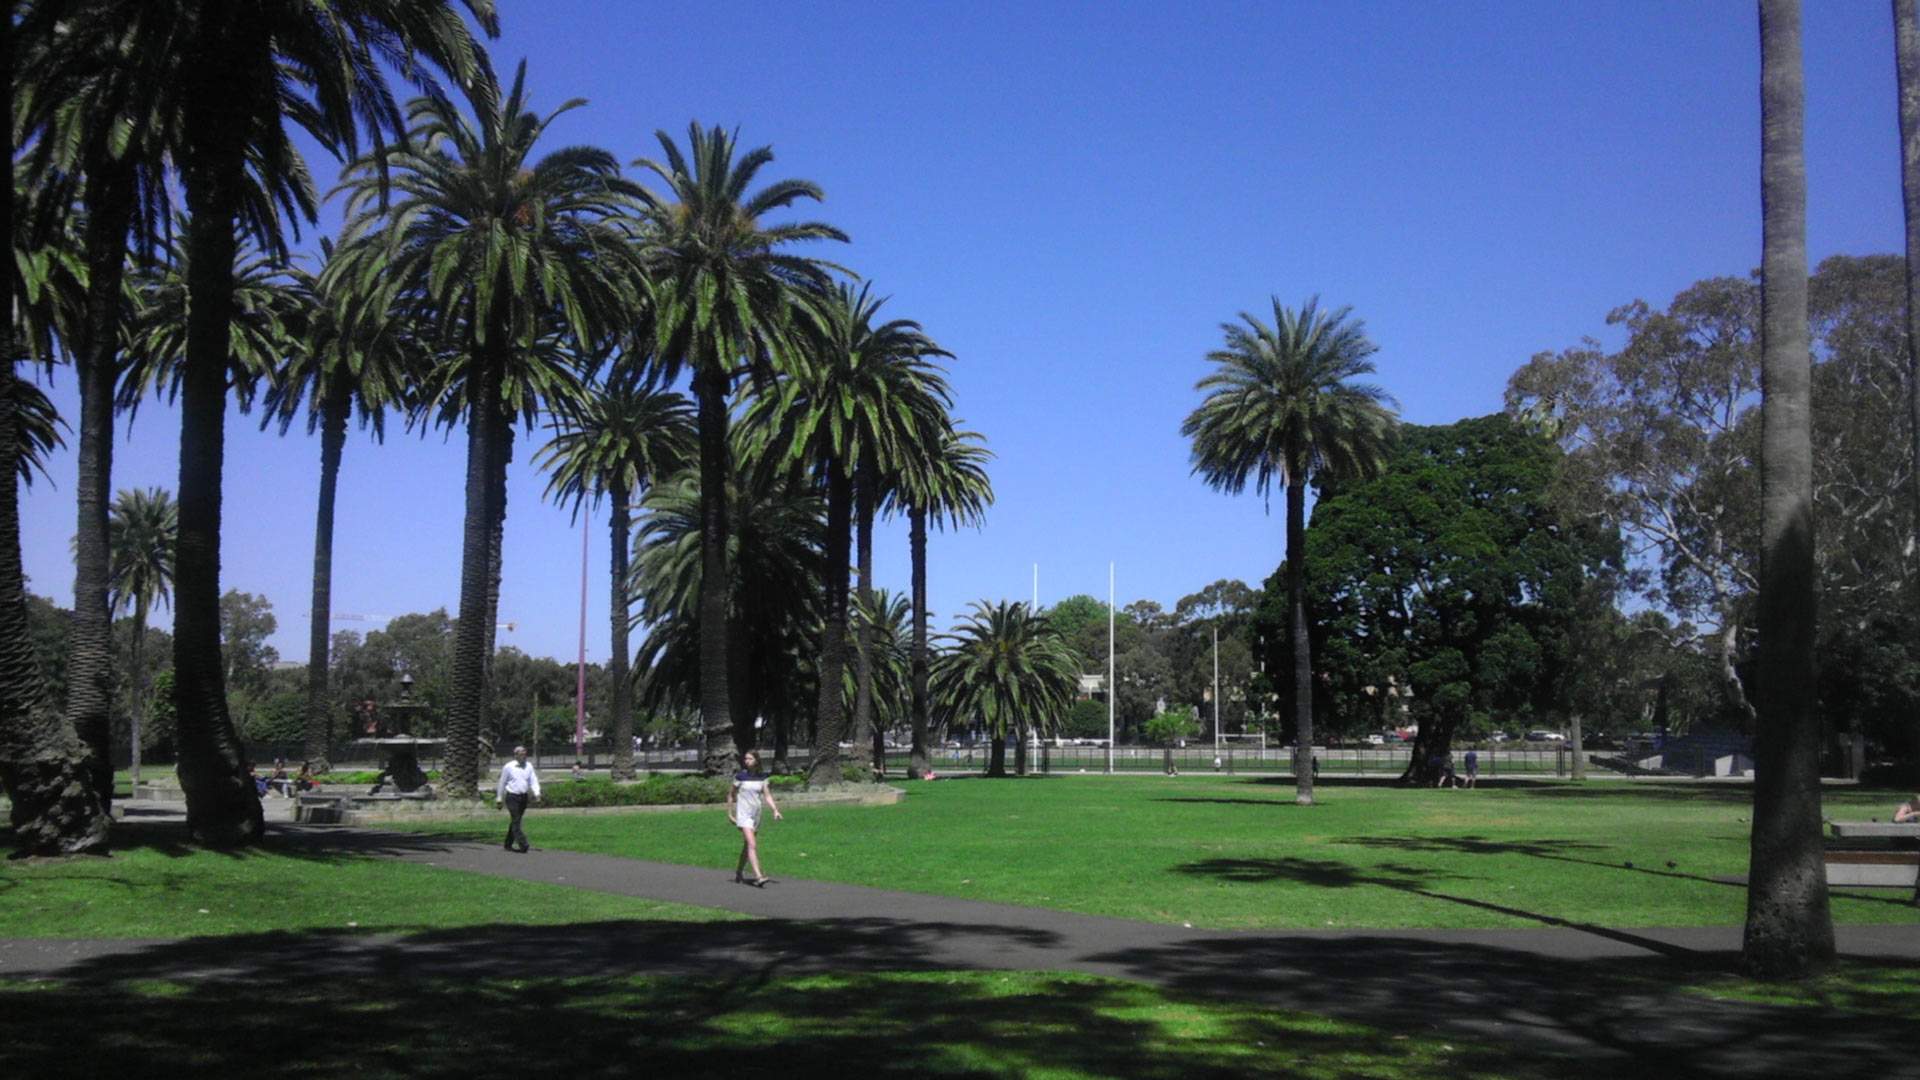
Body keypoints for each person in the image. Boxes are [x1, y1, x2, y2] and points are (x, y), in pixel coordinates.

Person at [728, 750, 782, 886]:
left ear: (756, 761)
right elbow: (730, 795)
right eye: (745, 759)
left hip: (756, 814)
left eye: (750, 759)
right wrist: (730, 814)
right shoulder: (740, 776)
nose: (747, 761)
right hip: (743, 814)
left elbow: (767, 795)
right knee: (752, 844)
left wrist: (775, 810)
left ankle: (739, 872)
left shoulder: (763, 777)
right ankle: (759, 876)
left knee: (747, 845)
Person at [495, 745, 542, 853]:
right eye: (521, 754)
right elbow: (502, 783)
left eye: (525, 754)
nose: (524, 756)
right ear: (515, 755)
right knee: (516, 820)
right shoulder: (508, 767)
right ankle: (523, 844)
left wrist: (537, 793)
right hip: (512, 797)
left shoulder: (529, 766)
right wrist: (499, 798)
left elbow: (533, 780)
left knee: (516, 821)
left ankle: (507, 844)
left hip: (523, 797)